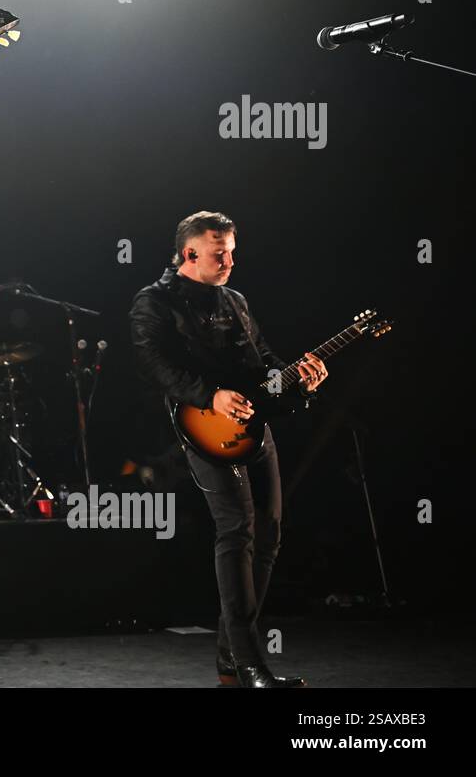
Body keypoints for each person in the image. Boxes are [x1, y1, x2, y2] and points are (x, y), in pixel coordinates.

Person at [129, 211, 326, 688]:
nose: (230, 261)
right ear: (189, 253)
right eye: (220, 253)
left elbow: (264, 363)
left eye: (232, 251)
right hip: (202, 429)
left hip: (253, 428)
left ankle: (230, 661)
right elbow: (154, 366)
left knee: (269, 534)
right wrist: (208, 395)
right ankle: (252, 665)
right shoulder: (153, 303)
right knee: (236, 531)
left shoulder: (234, 301)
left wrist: (299, 380)